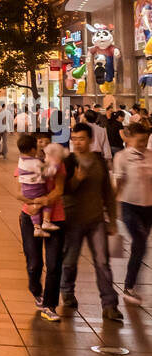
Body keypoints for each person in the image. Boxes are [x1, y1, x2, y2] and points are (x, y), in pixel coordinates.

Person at [59, 123, 122, 321]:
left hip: (96, 220)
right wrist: (76, 180)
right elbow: (61, 190)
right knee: (69, 260)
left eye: (81, 139)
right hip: (72, 219)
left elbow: (108, 193)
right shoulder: (68, 162)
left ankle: (110, 304)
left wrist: (112, 220)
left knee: (103, 262)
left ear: (90, 140)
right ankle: (67, 292)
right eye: (74, 139)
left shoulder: (99, 162)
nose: (77, 143)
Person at [16, 131, 67, 323]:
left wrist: (43, 200)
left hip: (56, 218)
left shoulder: (57, 164)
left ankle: (50, 305)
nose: (42, 146)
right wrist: (34, 203)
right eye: (39, 143)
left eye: (46, 142)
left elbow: (59, 189)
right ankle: (36, 290)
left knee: (54, 264)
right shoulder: (25, 164)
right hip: (30, 216)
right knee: (34, 262)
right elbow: (18, 192)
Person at [113, 122, 152, 305]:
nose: (143, 144)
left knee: (140, 246)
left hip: (148, 208)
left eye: (145, 140)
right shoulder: (122, 157)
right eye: (140, 140)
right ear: (129, 139)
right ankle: (128, 286)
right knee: (140, 241)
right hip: (129, 206)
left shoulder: (150, 156)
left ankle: (130, 286)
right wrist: (111, 207)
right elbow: (118, 183)